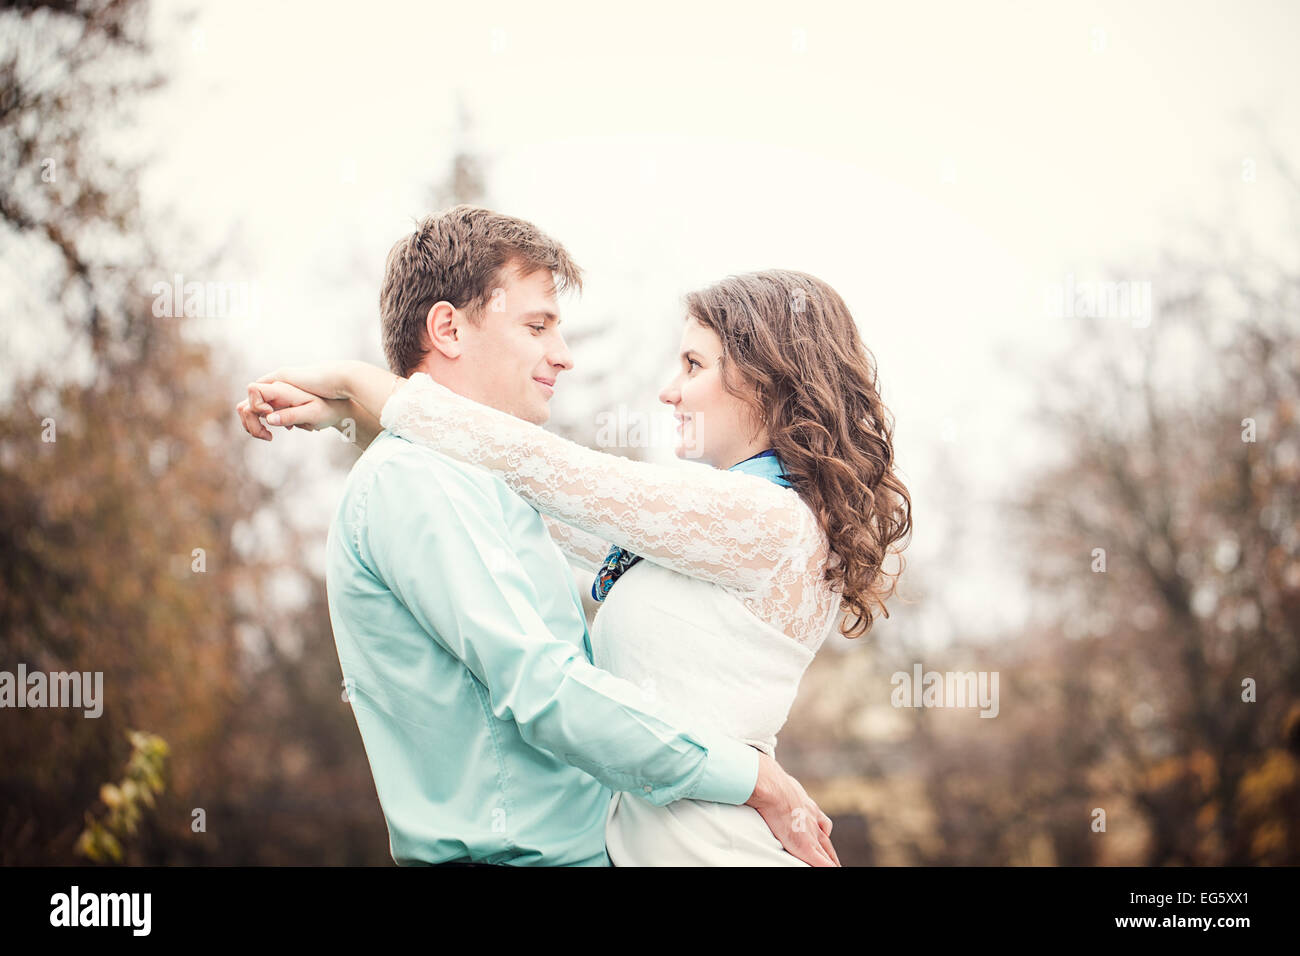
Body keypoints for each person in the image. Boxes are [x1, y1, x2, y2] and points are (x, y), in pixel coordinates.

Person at [236, 206, 847, 866]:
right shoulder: (417, 480)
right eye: (537, 326)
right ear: (448, 328)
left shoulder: (757, 514)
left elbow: (568, 486)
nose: (564, 355)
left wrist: (366, 399)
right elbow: (544, 686)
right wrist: (751, 778)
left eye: (693, 366)